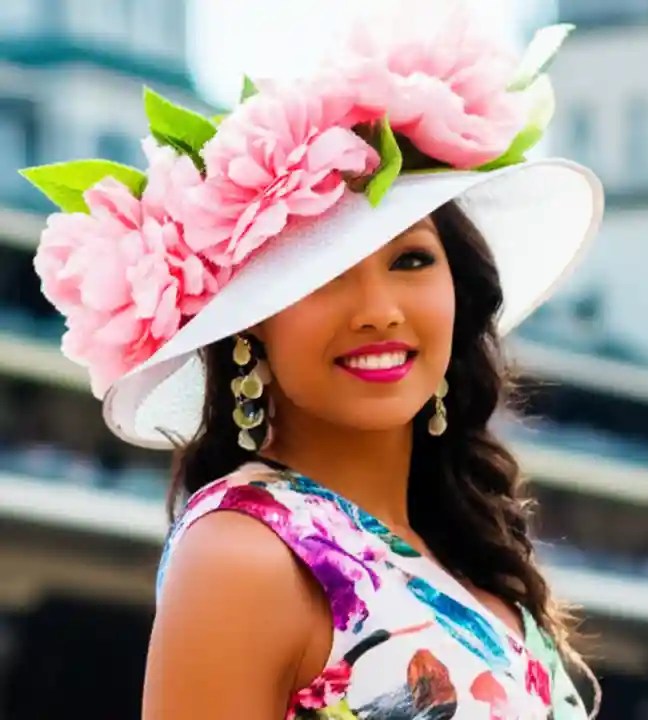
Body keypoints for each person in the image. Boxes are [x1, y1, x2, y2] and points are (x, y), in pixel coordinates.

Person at [22, 2, 603, 718]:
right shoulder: (246, 555)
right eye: (322, 275)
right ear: (252, 327)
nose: (378, 309)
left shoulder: (473, 567)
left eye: (413, 260)